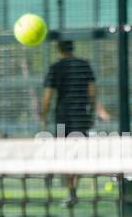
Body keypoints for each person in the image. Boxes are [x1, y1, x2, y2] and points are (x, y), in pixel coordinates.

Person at [40, 39, 96, 206]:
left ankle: (71, 191)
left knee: (64, 154)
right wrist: (91, 112)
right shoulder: (84, 65)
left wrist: (43, 115)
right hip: (80, 116)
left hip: (63, 117)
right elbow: (92, 91)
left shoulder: (56, 67)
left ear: (58, 49)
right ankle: (73, 191)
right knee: (79, 154)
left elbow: (47, 96)